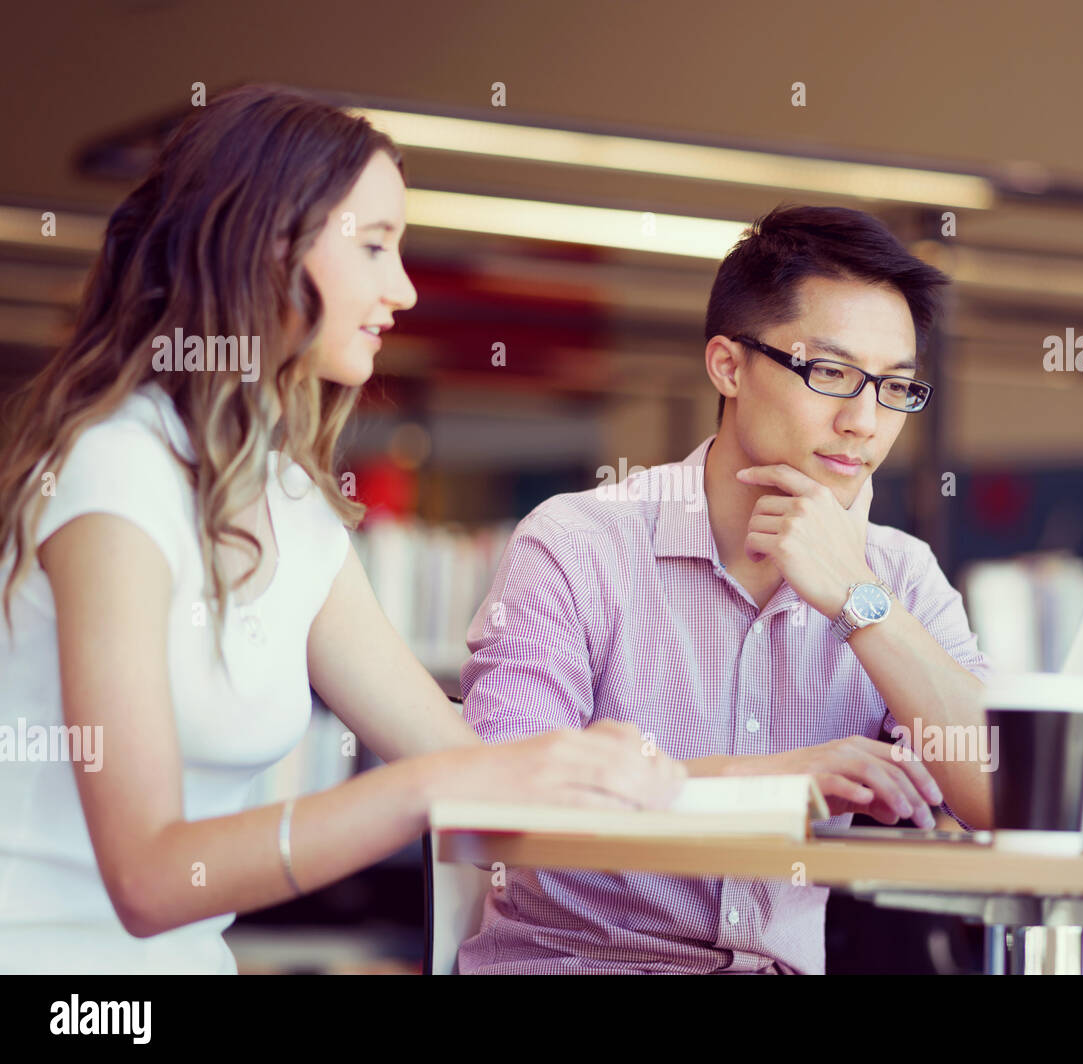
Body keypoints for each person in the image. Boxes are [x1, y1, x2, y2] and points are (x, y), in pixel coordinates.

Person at [0, 83, 683, 975]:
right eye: (372, 247)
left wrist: (777, 780)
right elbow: (148, 878)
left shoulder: (288, 499)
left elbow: (461, 757)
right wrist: (429, 792)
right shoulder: (116, 471)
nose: (400, 289)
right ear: (266, 249)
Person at [456, 204, 995, 974]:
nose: (864, 422)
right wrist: (769, 782)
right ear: (728, 366)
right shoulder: (576, 544)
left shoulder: (897, 574)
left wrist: (859, 599)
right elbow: (496, 807)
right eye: (831, 373)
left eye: (895, 387)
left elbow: (1008, 796)